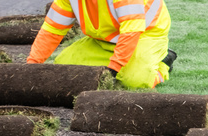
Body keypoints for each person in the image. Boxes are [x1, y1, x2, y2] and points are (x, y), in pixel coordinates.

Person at [27, 0, 176, 90]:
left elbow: (131, 31)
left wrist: (113, 69)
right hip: (103, 40)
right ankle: (118, 61)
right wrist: (31, 65)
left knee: (135, 81)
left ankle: (164, 63)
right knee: (63, 65)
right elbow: (52, 29)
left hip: (145, 34)